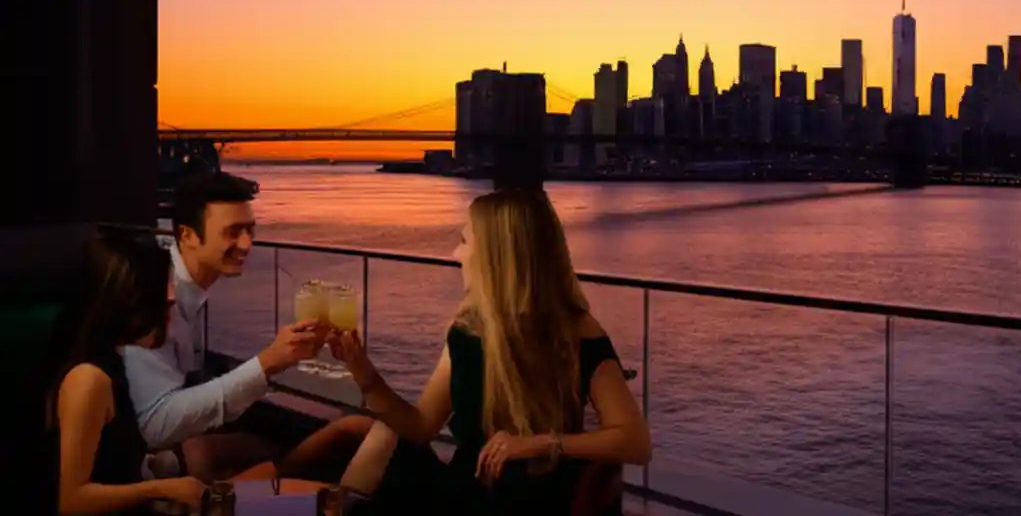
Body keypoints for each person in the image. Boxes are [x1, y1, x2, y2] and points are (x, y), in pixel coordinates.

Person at [331, 189, 651, 514]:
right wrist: (364, 374)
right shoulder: (468, 330)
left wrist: (541, 442)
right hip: (468, 486)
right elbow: (421, 426)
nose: (456, 253)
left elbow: (636, 443)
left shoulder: (576, 331)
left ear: (497, 255)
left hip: (528, 498)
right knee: (380, 439)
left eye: (465, 242)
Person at [123, 171, 372, 482]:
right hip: (152, 467)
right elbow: (155, 424)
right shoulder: (156, 295)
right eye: (232, 232)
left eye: (250, 230)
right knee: (346, 438)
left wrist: (282, 360)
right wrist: (267, 363)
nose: (246, 244)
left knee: (281, 443)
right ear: (187, 235)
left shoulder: (189, 287)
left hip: (183, 450)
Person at [51, 232, 208, 514]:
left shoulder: (115, 364)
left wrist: (150, 467)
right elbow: (72, 502)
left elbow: (108, 465)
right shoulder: (88, 380)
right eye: (163, 290)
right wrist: (160, 489)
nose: (172, 297)